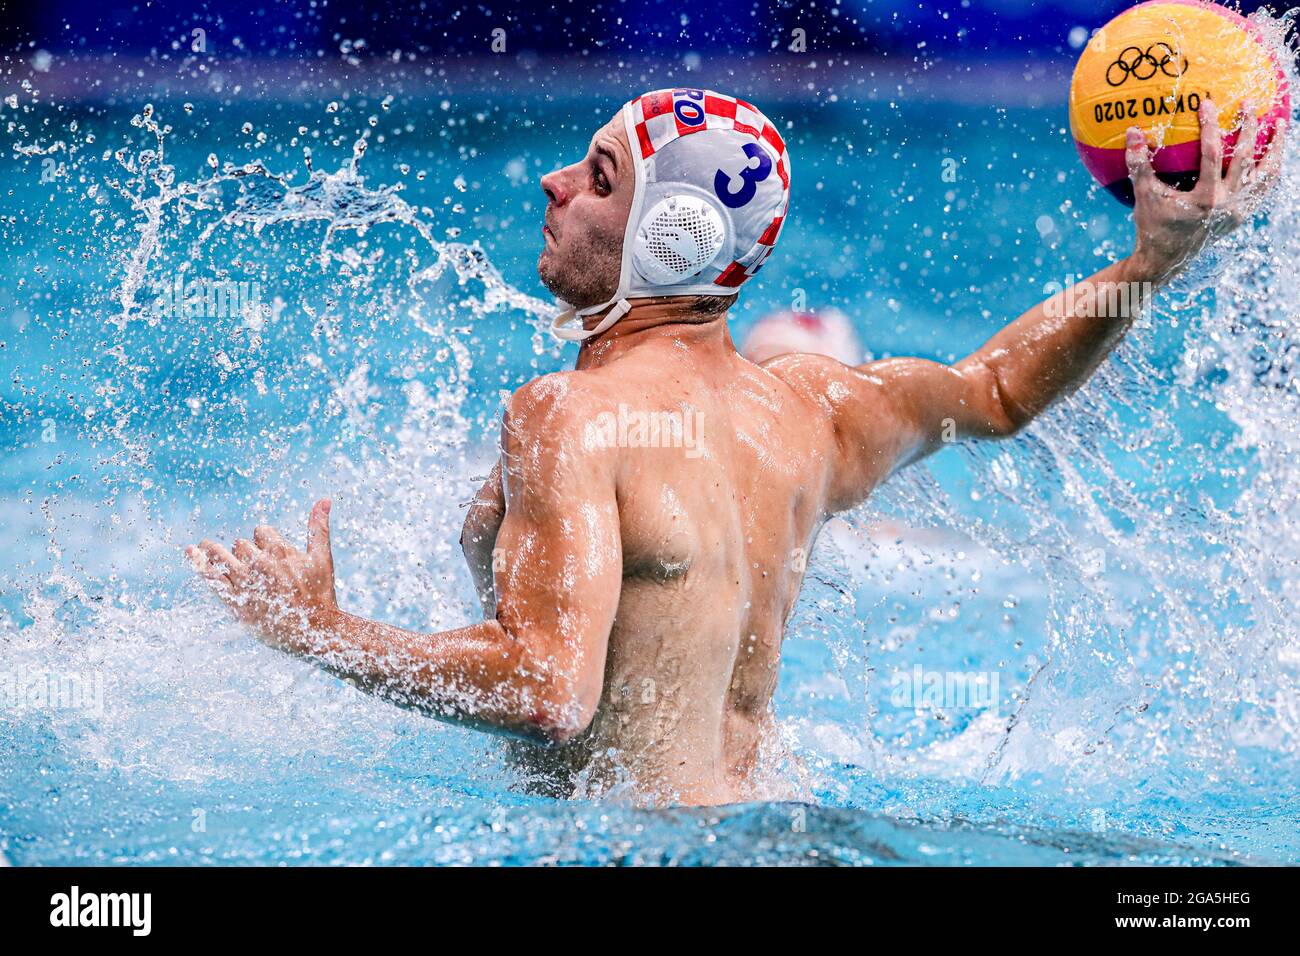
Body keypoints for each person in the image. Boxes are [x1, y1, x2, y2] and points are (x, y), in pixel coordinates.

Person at [189, 89, 1275, 806]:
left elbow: (544, 692)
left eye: (600, 176)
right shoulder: (807, 409)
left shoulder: (565, 417)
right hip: (769, 818)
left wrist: (320, 631)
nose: (553, 185)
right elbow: (996, 389)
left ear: (668, 239)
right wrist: (1154, 260)